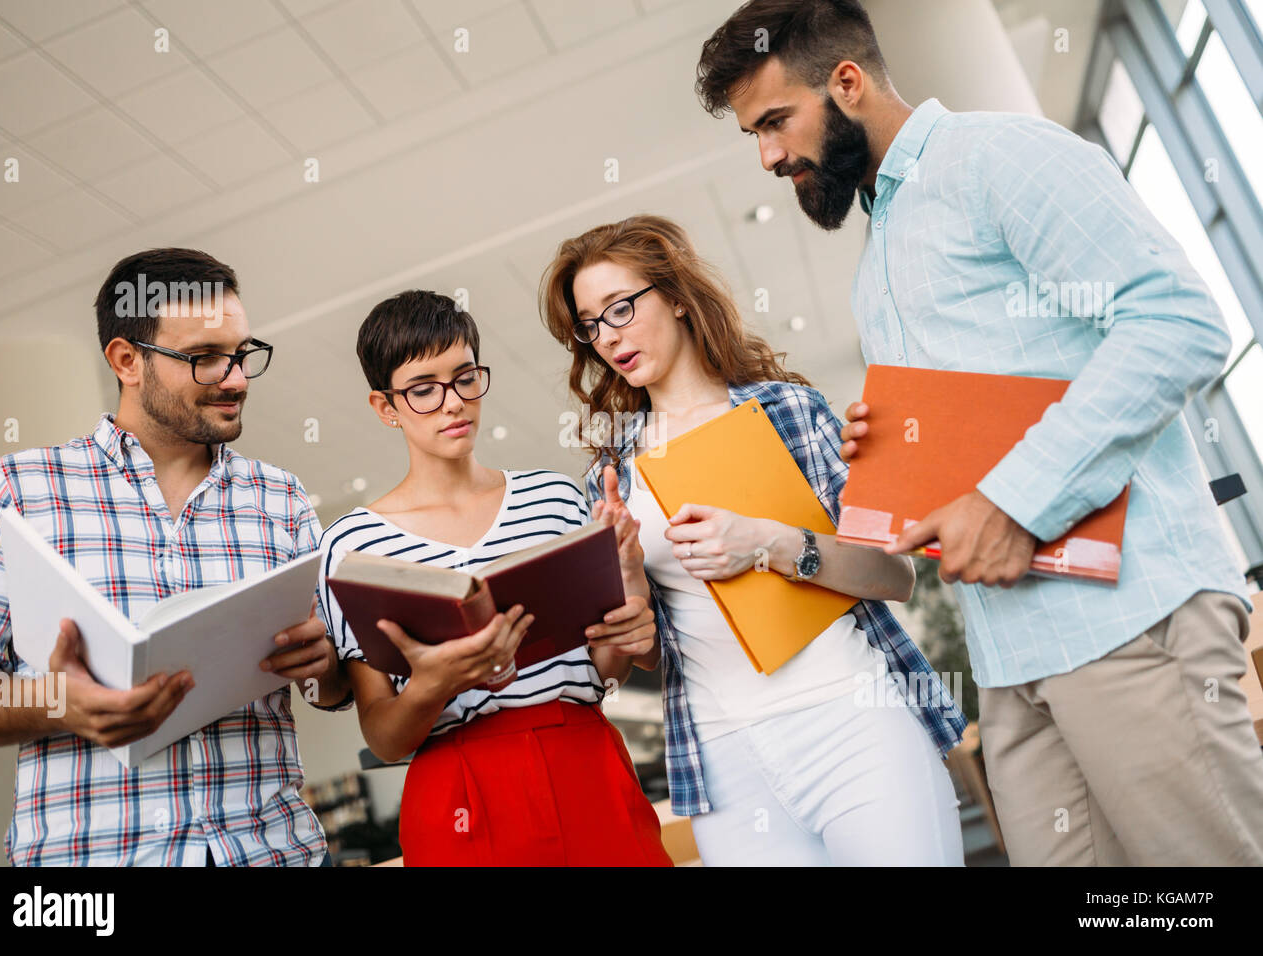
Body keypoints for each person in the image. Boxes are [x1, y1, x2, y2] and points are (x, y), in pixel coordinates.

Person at [696, 0, 1263, 864]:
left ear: (846, 82)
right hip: (1011, 660)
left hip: (1129, 619)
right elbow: (996, 401)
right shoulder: (881, 247)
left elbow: (1177, 321)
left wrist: (1014, 500)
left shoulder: (1001, 157)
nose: (771, 156)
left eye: (777, 121)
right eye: (755, 137)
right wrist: (893, 449)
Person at [538, 214, 965, 866]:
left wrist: (769, 543)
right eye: (591, 324)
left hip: (851, 717)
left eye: (622, 308)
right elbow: (649, 653)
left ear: (677, 296)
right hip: (723, 759)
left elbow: (895, 576)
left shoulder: (785, 413)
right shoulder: (610, 474)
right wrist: (622, 580)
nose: (609, 336)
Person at [0, 248, 349, 866]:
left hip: (275, 854)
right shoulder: (16, 493)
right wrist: (56, 704)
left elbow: (328, 688)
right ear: (126, 360)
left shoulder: (282, 500)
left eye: (242, 352)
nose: (236, 378)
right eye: (204, 358)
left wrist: (326, 668)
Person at [316, 289, 673, 866]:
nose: (453, 403)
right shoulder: (353, 546)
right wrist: (434, 684)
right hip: (455, 783)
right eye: (423, 390)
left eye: (465, 378)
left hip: (585, 760)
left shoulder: (554, 499)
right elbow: (382, 734)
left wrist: (630, 595)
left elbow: (606, 668)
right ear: (386, 408)